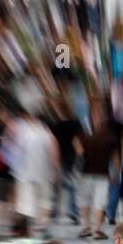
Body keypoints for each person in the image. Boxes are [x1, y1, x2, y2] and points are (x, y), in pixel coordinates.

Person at [2, 107, 59, 236]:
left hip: (24, 175)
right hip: (45, 176)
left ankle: (27, 229)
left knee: (26, 204)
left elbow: (10, 150)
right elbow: (54, 156)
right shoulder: (48, 134)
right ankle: (41, 228)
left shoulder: (23, 133)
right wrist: (56, 172)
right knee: (45, 202)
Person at [77, 100, 120, 239]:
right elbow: (116, 156)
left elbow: (78, 149)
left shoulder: (85, 132)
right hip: (98, 173)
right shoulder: (108, 134)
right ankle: (95, 229)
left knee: (91, 200)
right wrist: (116, 172)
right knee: (97, 201)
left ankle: (88, 227)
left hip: (89, 172)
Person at [47, 94, 84, 225]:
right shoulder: (76, 123)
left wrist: (54, 160)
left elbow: (53, 144)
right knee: (73, 185)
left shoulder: (54, 125)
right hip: (73, 157)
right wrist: (81, 155)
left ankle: (54, 211)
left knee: (56, 186)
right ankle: (73, 211)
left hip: (60, 157)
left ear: (58, 109)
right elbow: (78, 141)